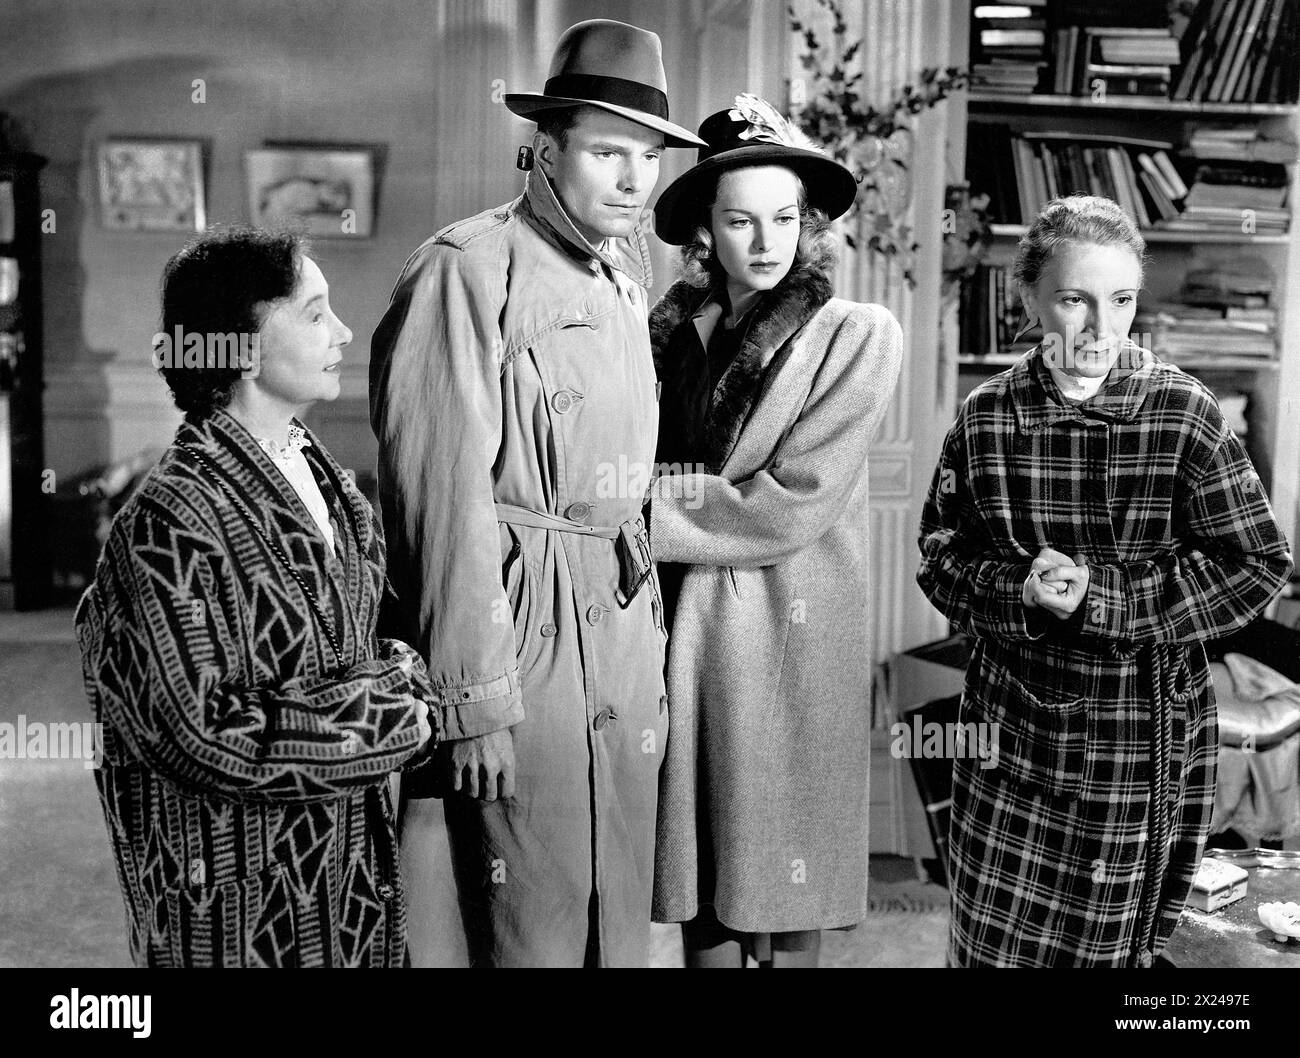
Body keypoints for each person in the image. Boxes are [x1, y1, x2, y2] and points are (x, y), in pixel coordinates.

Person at [369, 19, 705, 967]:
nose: (635, 179)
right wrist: (475, 700)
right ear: (545, 150)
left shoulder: (625, 281)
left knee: (617, 920)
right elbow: (440, 499)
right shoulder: (468, 268)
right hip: (526, 634)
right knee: (529, 922)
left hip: (621, 633)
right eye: (608, 152)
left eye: (647, 156)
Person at [916, 194, 1293, 967]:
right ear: (1028, 300)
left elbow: (1257, 565)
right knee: (990, 950)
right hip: (1008, 738)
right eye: (1074, 300)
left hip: (1138, 742)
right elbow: (939, 557)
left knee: (1109, 960)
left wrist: (1104, 599)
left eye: (1120, 301)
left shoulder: (1183, 413)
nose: (1099, 329)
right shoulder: (985, 417)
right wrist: (1014, 590)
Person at [74, 227, 437, 968]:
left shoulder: (331, 484)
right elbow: (200, 736)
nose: (342, 331)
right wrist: (392, 713)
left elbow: (390, 642)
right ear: (239, 344)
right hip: (233, 896)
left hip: (348, 874)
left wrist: (389, 682)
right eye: (312, 313)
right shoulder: (169, 518)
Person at [647, 96, 903, 967]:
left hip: (795, 623)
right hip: (693, 623)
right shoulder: (665, 334)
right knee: (707, 886)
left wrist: (635, 512)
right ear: (705, 233)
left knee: (791, 890)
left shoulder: (856, 335)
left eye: (787, 218)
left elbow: (792, 497)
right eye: (741, 220)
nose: (768, 241)